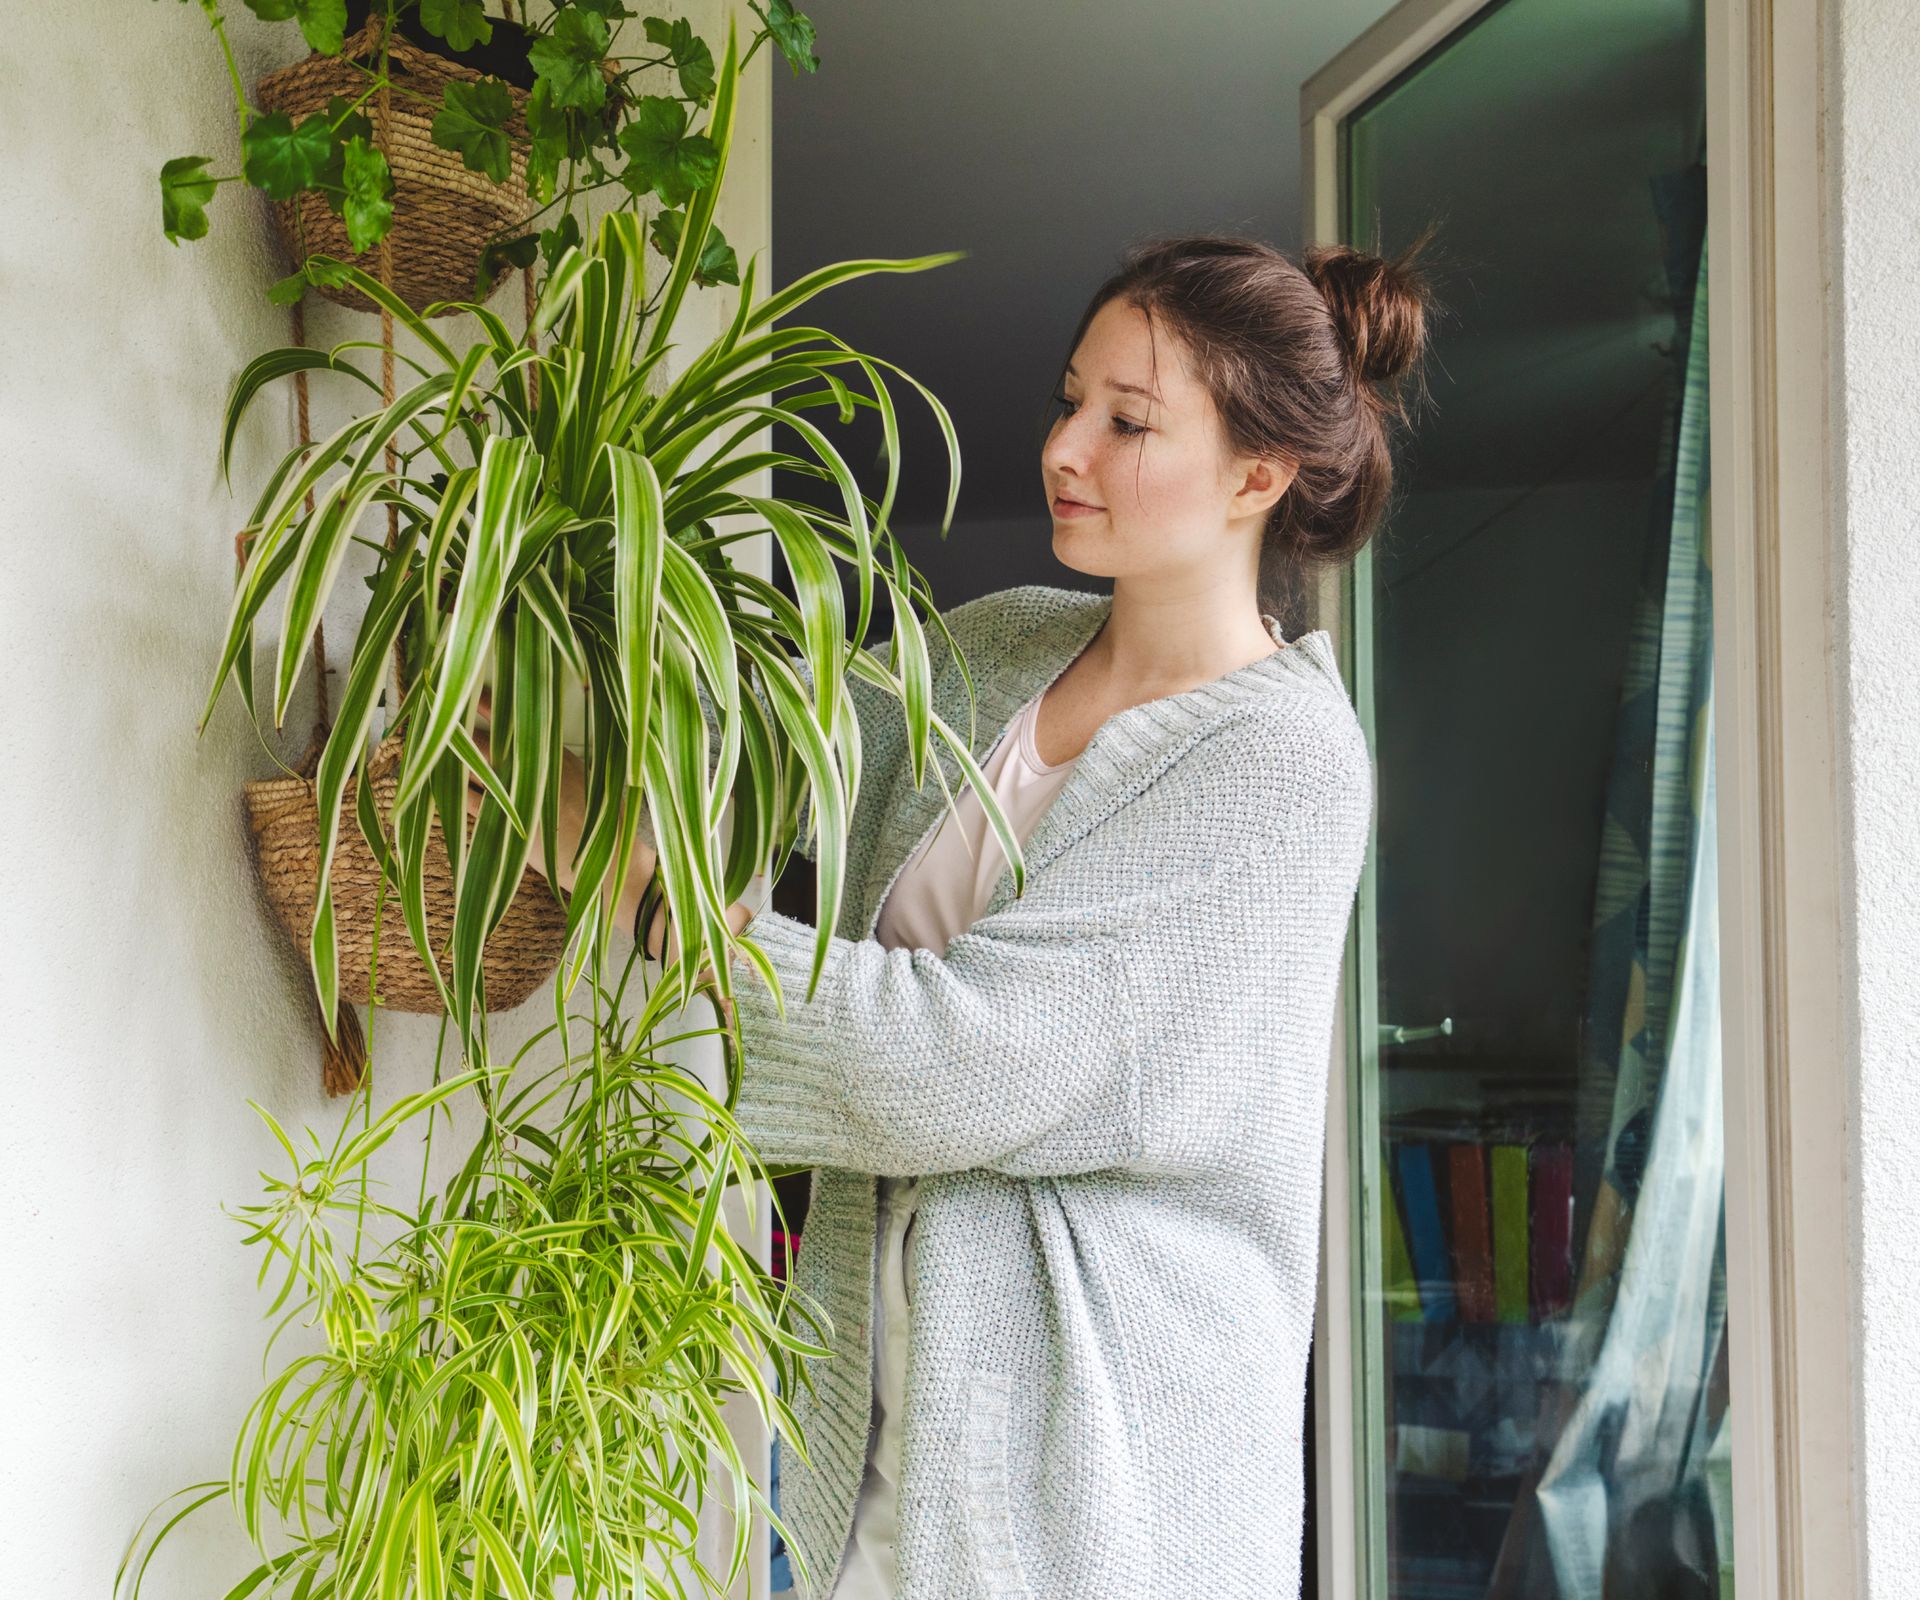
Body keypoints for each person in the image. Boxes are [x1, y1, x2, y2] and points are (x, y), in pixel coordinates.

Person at [472, 228, 1435, 1599]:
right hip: (877, 1433)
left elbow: (958, 1061)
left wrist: (643, 884)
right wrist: (543, 643)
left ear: (1260, 475)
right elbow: (756, 758)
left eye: (1128, 421)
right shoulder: (1002, 646)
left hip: (1092, 1500)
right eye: (1069, 401)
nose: (1064, 448)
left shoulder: (1280, 764)